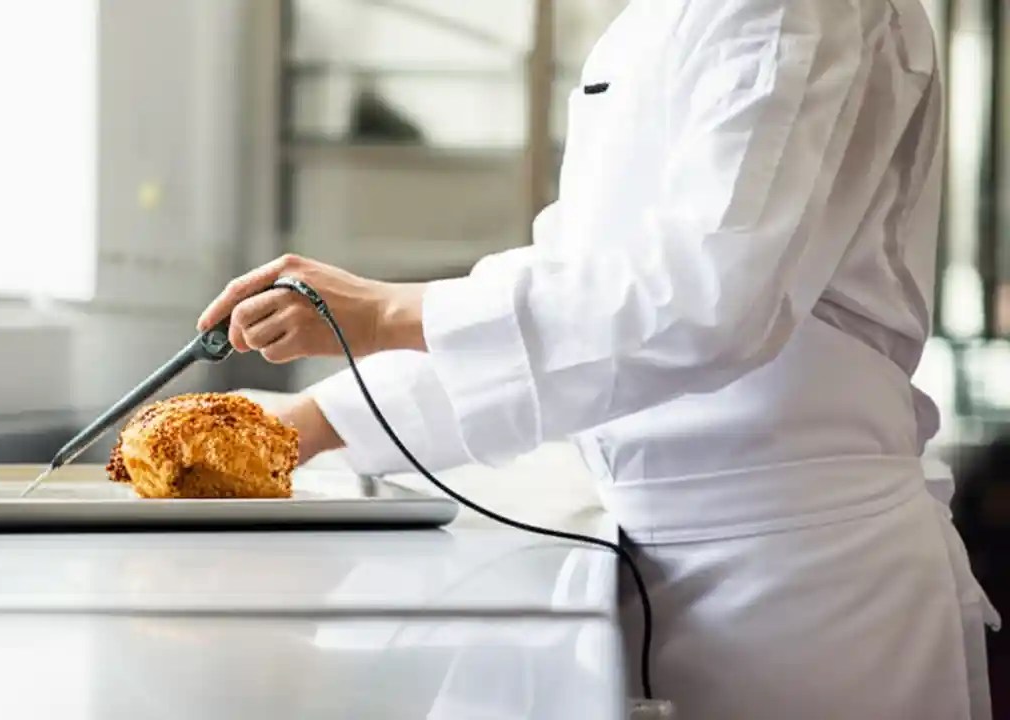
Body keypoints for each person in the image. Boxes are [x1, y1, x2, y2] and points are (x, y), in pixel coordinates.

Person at [198, 0, 999, 717]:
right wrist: (311, 421)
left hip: (806, 590)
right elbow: (579, 296)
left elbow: (702, 303)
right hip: (666, 560)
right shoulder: (651, 23)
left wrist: (385, 311)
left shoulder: (790, 10)